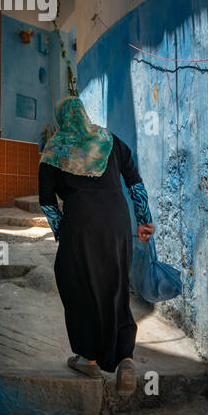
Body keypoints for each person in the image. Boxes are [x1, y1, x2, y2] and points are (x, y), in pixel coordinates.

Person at [38, 96, 155, 395]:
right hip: (117, 222)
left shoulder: (54, 150)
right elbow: (135, 182)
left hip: (80, 226)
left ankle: (88, 357)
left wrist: (61, 233)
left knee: (76, 283)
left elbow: (47, 202)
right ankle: (126, 358)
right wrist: (144, 220)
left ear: (63, 118)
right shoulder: (109, 140)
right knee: (115, 285)